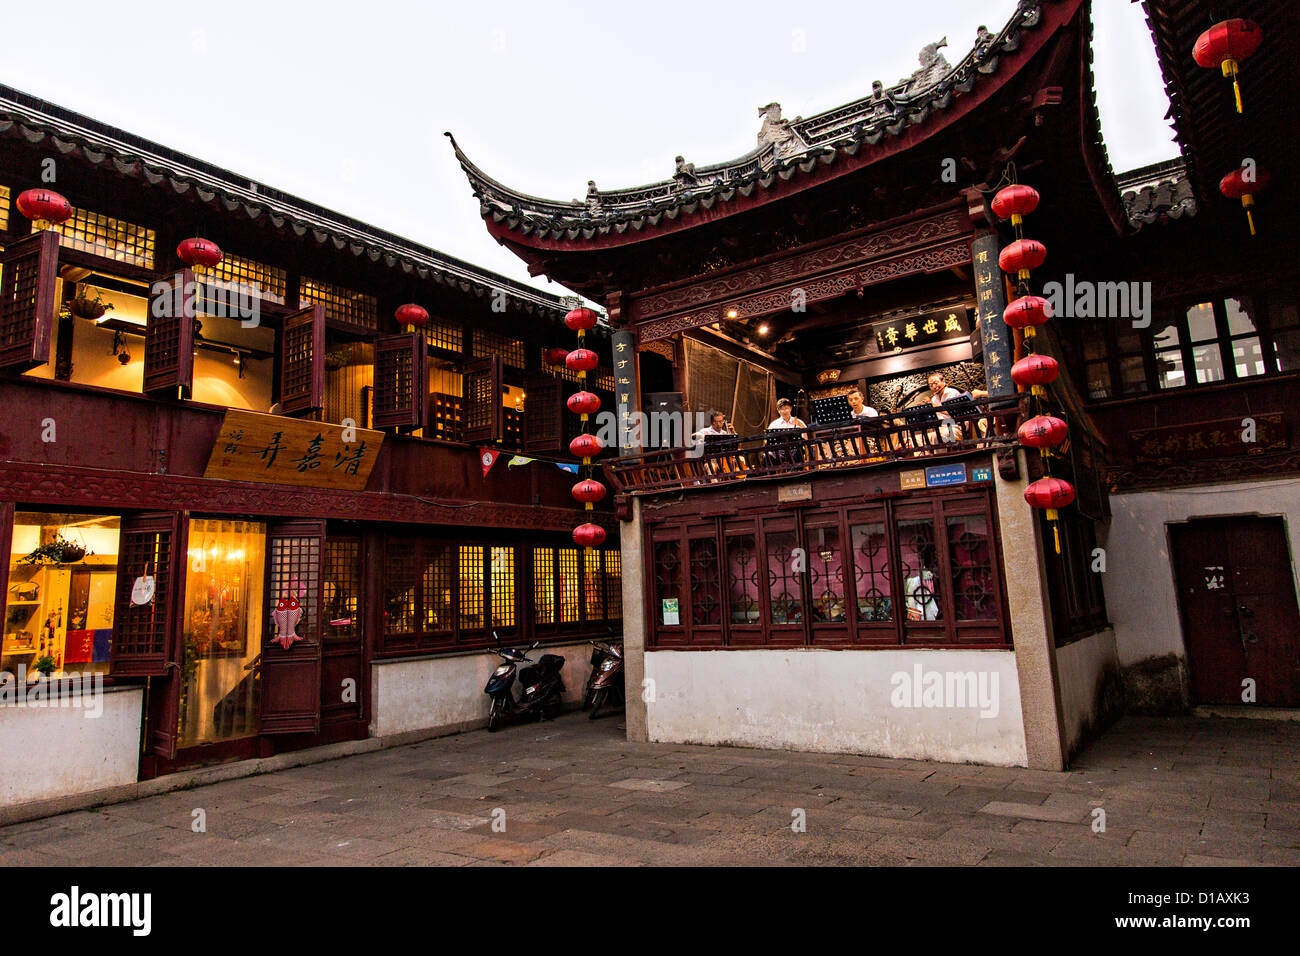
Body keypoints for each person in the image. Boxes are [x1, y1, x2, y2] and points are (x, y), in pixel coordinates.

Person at [928, 371, 965, 443]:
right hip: (942, 427)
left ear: (943, 381)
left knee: (939, 437)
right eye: (931, 385)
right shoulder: (934, 399)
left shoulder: (953, 393)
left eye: (935, 383)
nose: (934, 387)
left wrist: (935, 407)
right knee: (919, 439)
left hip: (956, 427)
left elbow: (955, 413)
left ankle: (943, 454)